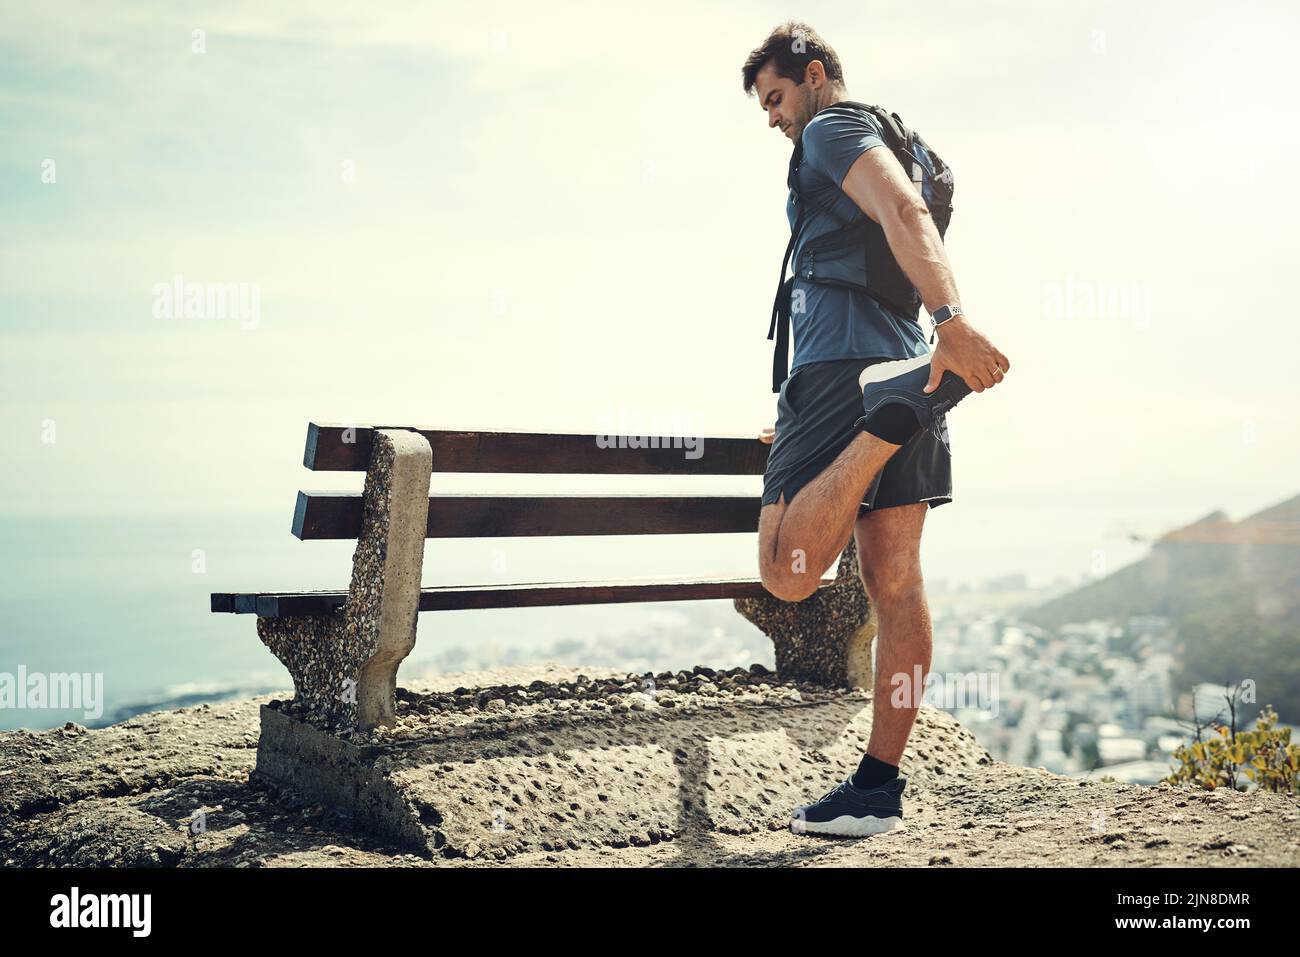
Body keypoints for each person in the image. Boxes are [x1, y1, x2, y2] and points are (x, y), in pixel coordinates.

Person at [741, 21, 1011, 837]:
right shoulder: (907, 139)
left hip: (839, 369)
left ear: (816, 76)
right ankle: (876, 789)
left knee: (786, 570)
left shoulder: (834, 127)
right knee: (897, 583)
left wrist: (953, 320)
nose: (775, 119)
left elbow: (898, 209)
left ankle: (884, 426)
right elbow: (903, 215)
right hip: (903, 365)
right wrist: (933, 350)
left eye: (777, 97)